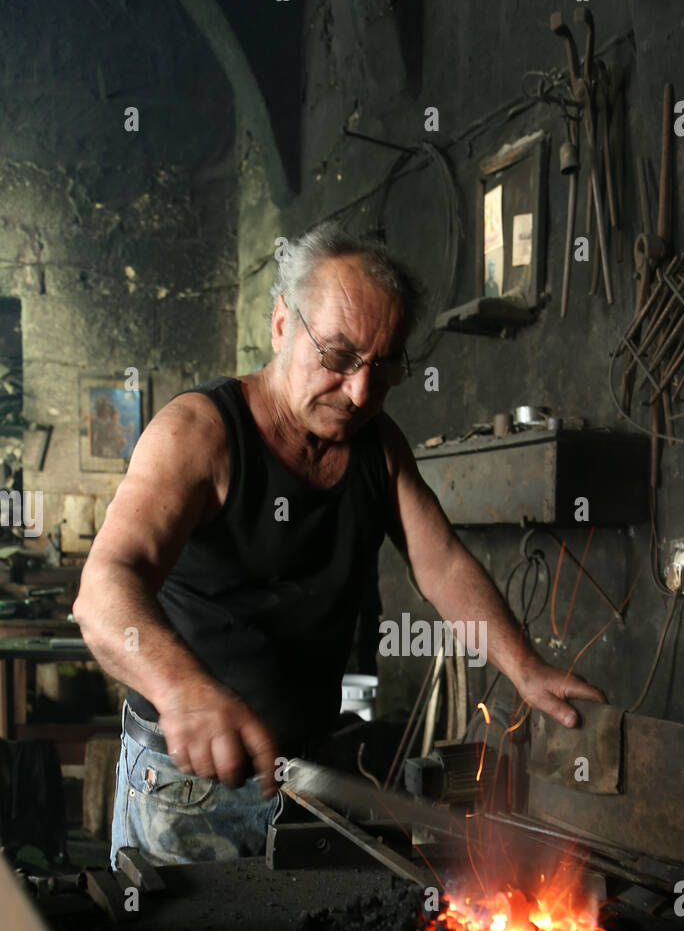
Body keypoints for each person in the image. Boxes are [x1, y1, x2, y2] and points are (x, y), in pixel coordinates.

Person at [73, 223, 605, 867]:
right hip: (182, 787)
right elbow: (103, 594)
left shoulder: (378, 448)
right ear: (280, 326)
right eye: (337, 357)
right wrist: (184, 691)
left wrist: (525, 667)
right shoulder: (200, 433)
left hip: (306, 776)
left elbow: (442, 565)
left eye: (383, 368)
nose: (359, 393)